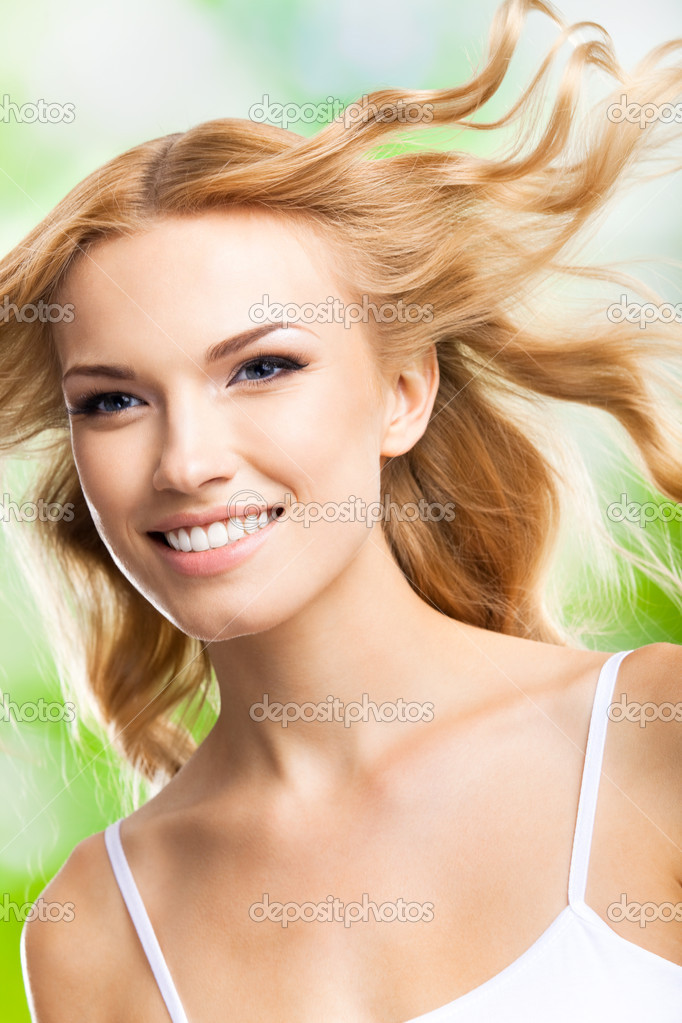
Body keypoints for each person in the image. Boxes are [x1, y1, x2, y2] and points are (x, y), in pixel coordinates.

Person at [7, 0, 682, 1018]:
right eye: (113, 401)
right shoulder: (101, 925)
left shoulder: (650, 740)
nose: (186, 462)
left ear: (404, 392)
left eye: (261, 367)